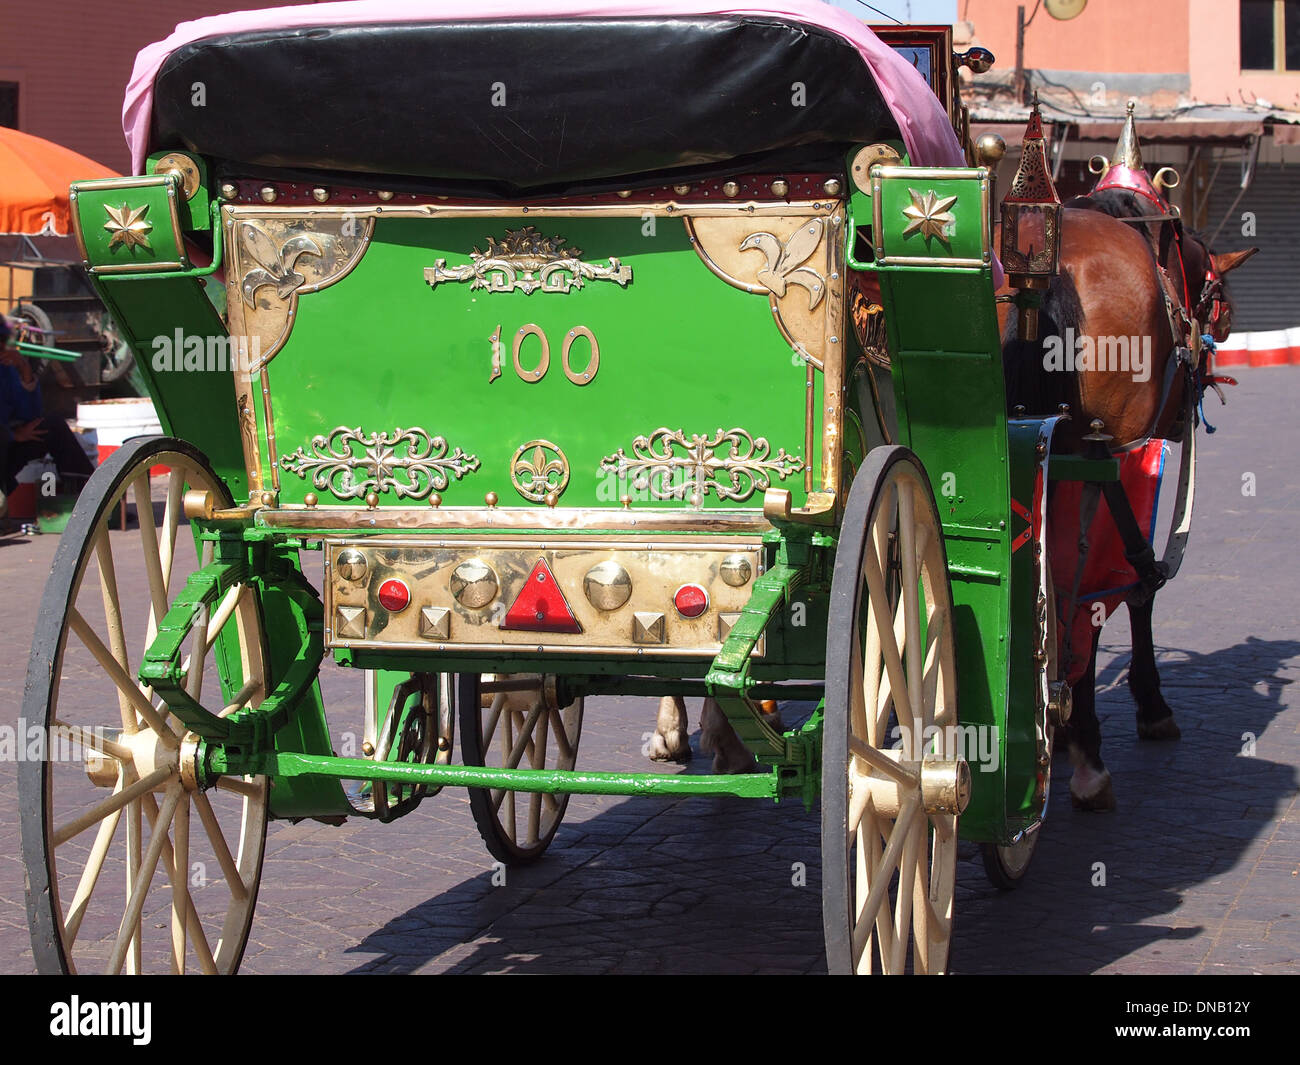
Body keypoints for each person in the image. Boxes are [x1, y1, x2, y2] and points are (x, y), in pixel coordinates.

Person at [0, 317, 93, 518]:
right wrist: (13, 435)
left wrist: (24, 371)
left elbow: (31, 413)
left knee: (52, 427)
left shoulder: (5, 369)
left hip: (8, 442)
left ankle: (86, 495)